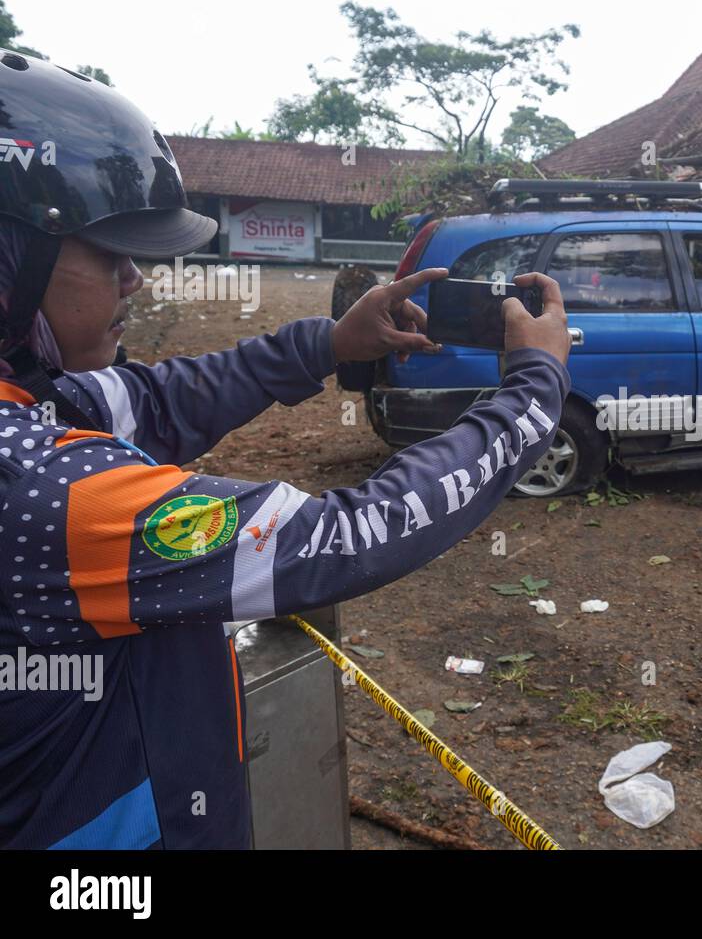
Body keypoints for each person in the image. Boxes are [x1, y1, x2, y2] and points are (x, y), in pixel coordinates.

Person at [0, 52, 571, 848]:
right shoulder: (48, 494)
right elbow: (344, 536)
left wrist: (331, 342)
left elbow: (163, 400)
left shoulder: (35, 408)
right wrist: (531, 395)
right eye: (109, 254)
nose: (136, 279)